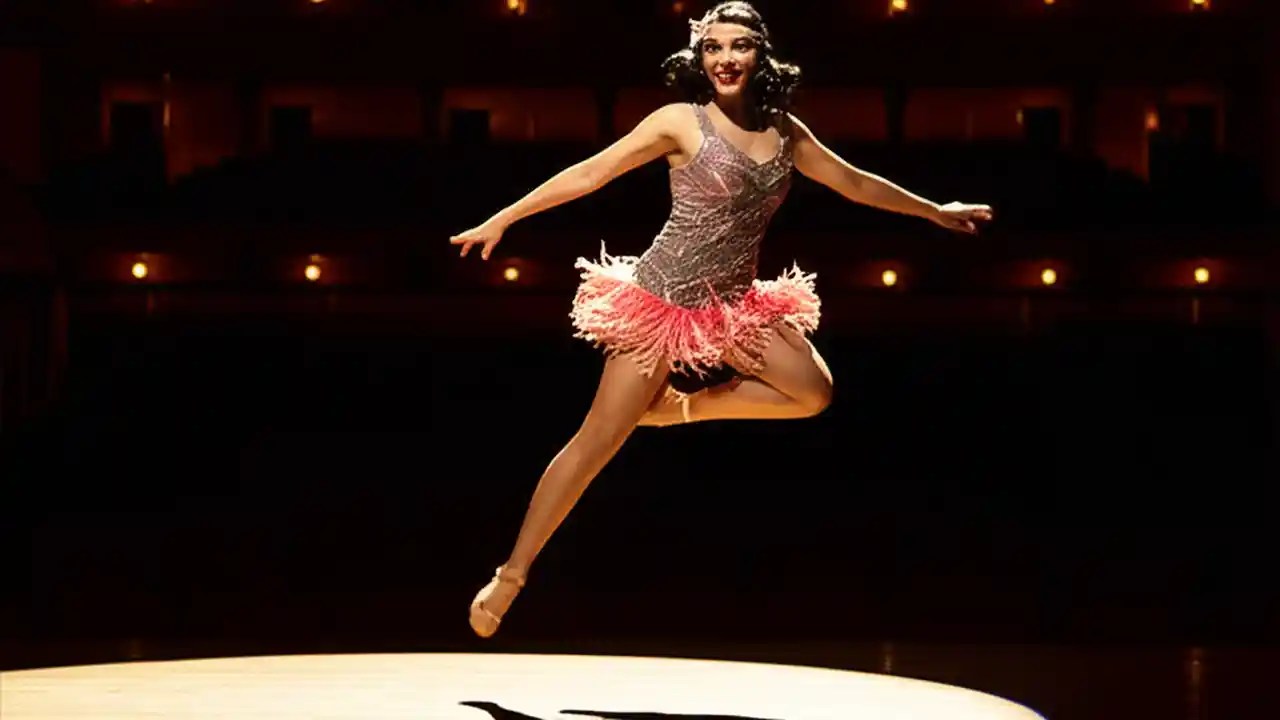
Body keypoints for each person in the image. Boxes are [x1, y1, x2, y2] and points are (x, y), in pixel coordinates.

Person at [450, 1, 993, 638]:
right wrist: (506, 217)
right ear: (699, 57)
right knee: (597, 442)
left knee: (812, 392)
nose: (725, 59)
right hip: (663, 303)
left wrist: (934, 210)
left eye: (739, 46)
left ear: (761, 55)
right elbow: (593, 172)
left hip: (733, 306)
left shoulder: (786, 133)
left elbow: (855, 183)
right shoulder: (681, 121)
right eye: (713, 48)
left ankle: (678, 410)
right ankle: (511, 575)